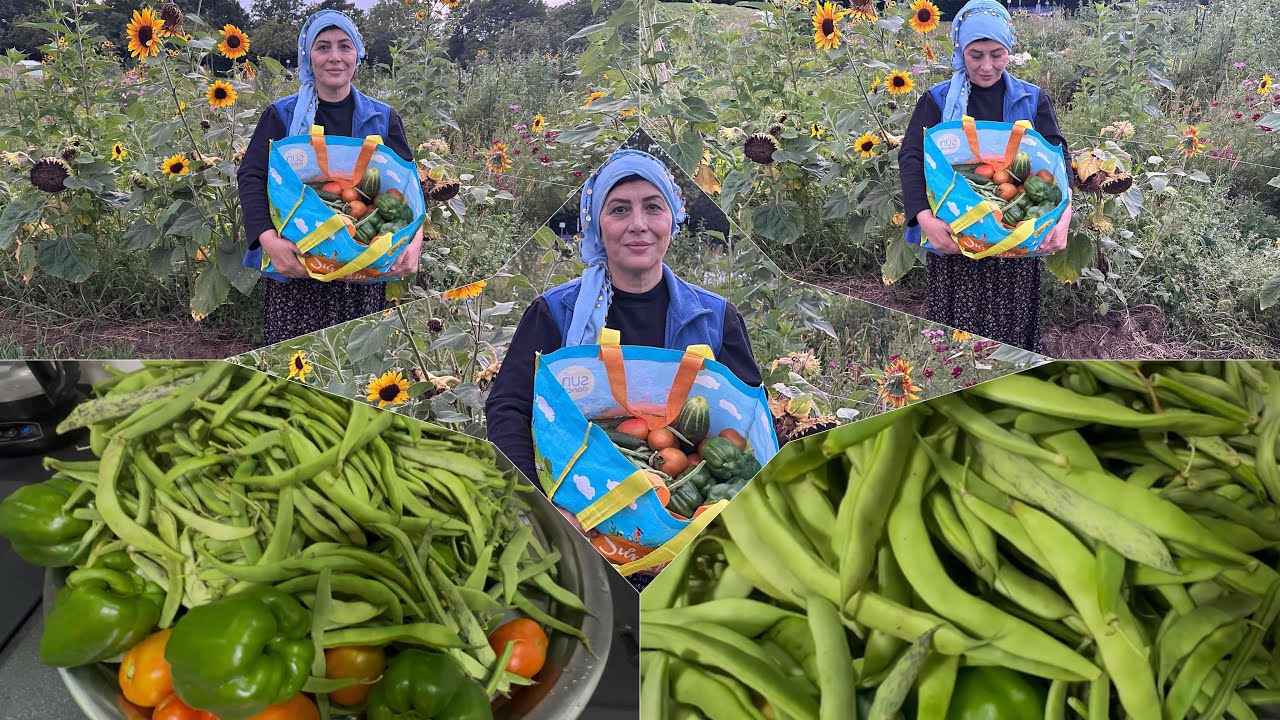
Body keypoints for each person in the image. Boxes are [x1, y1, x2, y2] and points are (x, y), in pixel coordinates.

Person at [484, 149, 762, 587]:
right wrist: (542, 508)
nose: (638, 223)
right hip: (577, 529)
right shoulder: (555, 314)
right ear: (596, 224)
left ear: (673, 218)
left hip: (687, 537)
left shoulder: (715, 318)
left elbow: (750, 426)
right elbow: (510, 412)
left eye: (653, 206)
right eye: (619, 209)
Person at [237, 9, 423, 346]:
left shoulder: (382, 118)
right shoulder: (282, 115)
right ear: (307, 56)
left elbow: (410, 188)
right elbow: (252, 176)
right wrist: (267, 240)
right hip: (297, 266)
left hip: (363, 268)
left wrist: (415, 242)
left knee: (354, 367)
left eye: (344, 46)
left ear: (357, 55)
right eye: (323, 47)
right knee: (293, 363)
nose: (334, 57)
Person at [898, 0, 1073, 354]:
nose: (987, 66)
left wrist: (1064, 216)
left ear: (1009, 49)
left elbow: (1058, 161)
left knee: (1010, 333)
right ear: (960, 50)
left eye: (997, 53)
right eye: (975, 55)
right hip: (955, 236)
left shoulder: (1032, 99)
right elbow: (912, 156)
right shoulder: (938, 100)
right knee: (955, 336)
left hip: (1016, 234)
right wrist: (924, 217)